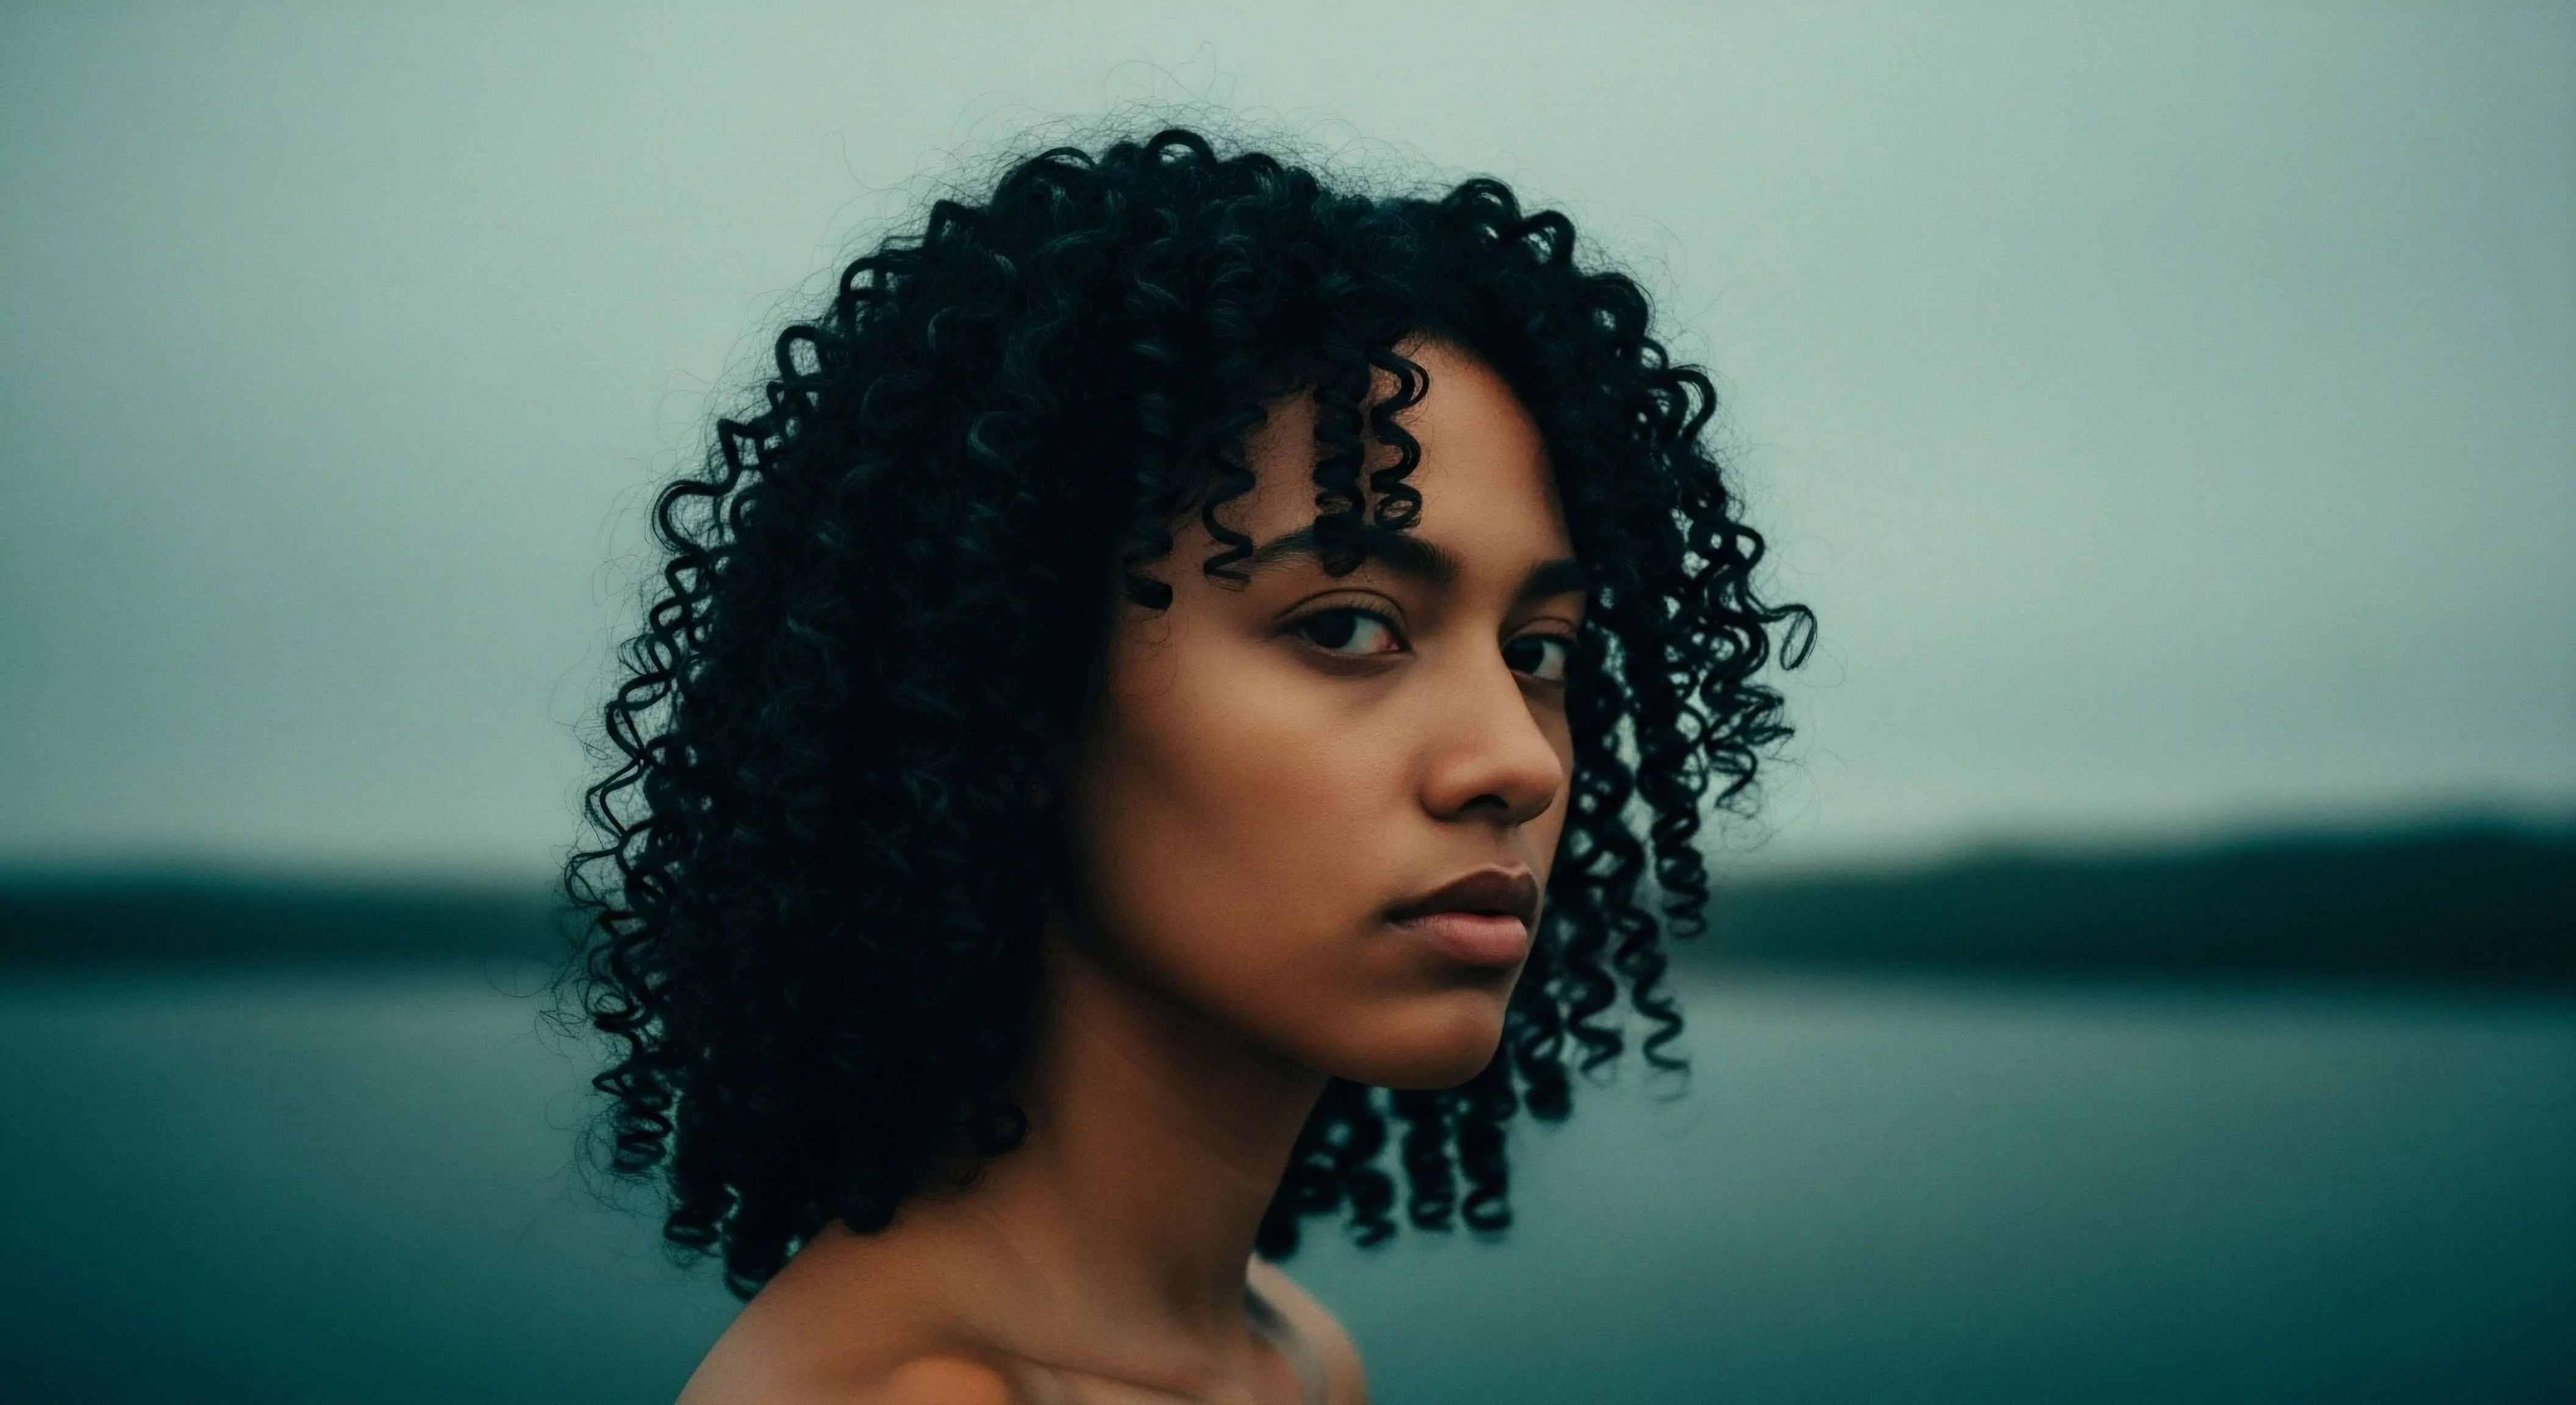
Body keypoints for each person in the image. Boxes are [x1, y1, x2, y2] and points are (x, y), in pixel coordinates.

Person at [567, 126, 1810, 1404]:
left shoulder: (1293, 1360)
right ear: (1018, 692)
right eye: (1346, 628)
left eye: (1541, 651)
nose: (1516, 762)